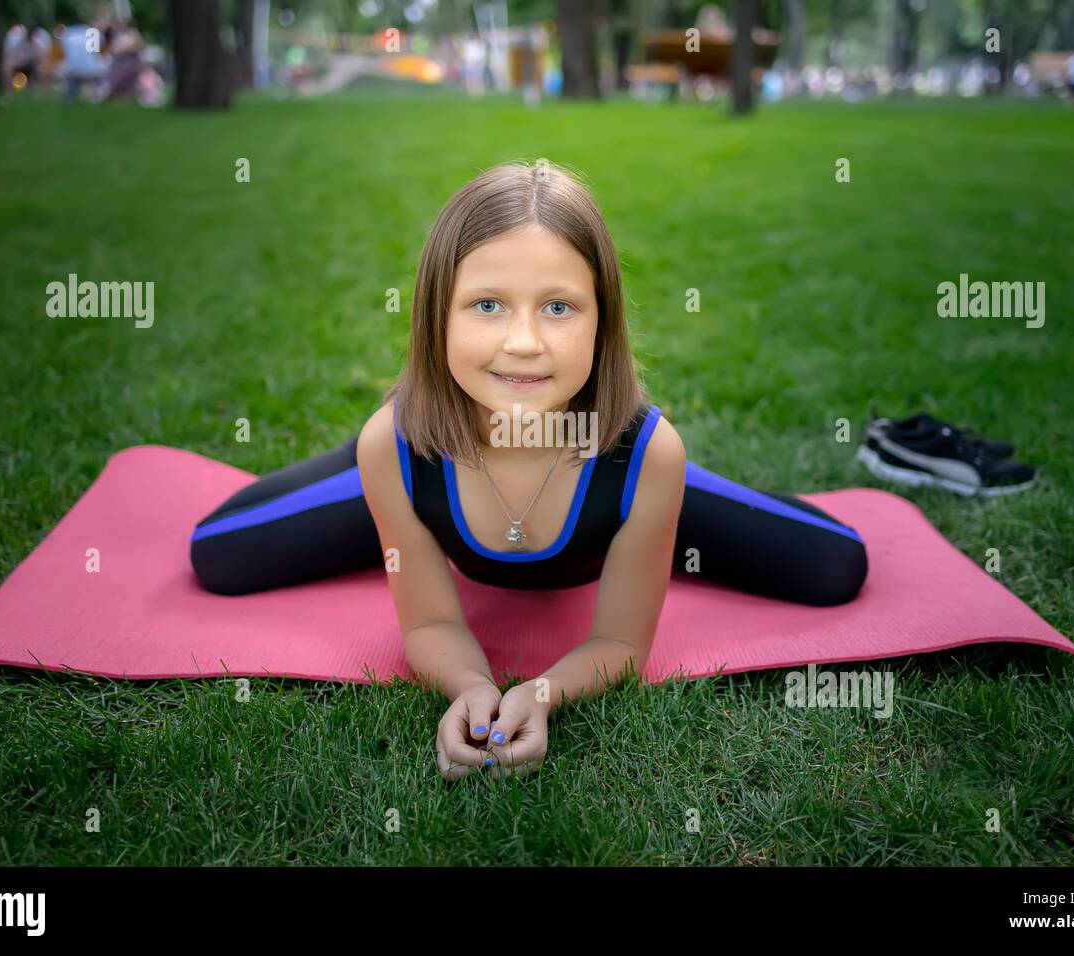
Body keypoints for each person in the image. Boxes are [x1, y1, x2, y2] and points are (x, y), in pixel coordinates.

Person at [188, 161, 868, 780]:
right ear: (437, 319)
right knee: (222, 553)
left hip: (611, 466)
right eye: (487, 305)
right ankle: (396, 514)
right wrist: (472, 687)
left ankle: (653, 523)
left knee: (834, 564)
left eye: (559, 307)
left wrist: (540, 693)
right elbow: (427, 627)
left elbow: (621, 642)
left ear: (603, 323)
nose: (523, 341)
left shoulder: (647, 459)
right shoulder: (393, 450)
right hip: (435, 446)